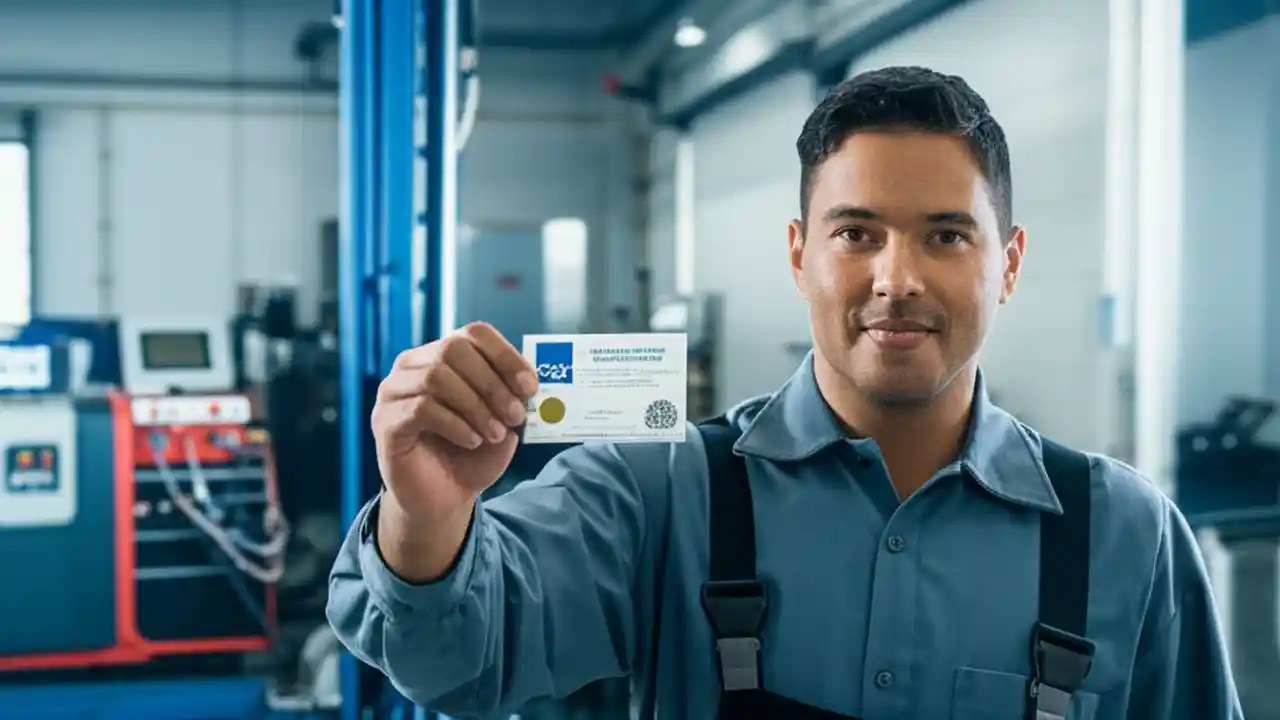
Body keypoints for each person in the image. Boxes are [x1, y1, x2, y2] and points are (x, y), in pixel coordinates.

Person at [327, 66, 1243, 719]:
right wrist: (428, 515)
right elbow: (451, 663)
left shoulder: (1125, 536)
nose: (896, 278)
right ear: (800, 252)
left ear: (1007, 263)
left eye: (946, 237)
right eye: (857, 233)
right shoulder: (659, 496)